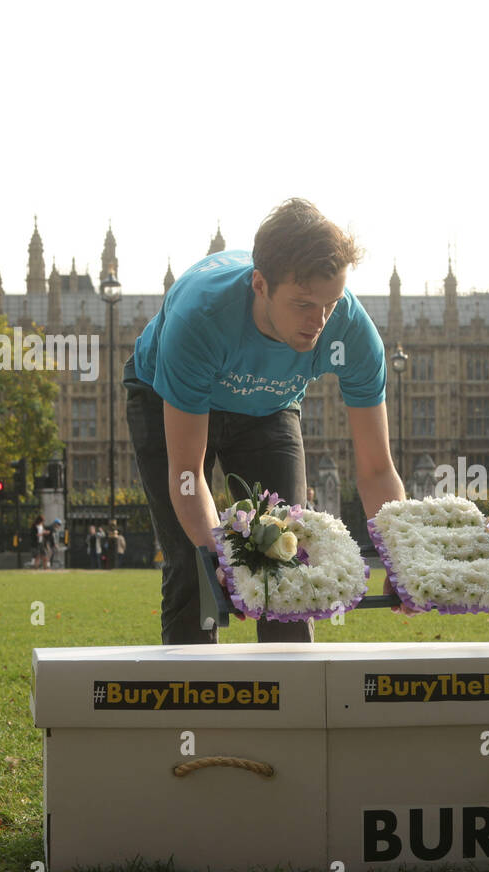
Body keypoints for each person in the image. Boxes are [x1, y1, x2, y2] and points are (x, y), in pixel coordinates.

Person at [124, 197, 407, 644]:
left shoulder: (350, 332)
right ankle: (192, 704)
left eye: (331, 303)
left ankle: (293, 704)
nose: (319, 323)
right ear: (260, 285)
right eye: (303, 304)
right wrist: (217, 555)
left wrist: (401, 555)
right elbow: (186, 475)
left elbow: (376, 469)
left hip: (269, 406)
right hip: (167, 396)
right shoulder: (200, 321)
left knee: (286, 553)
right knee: (192, 563)